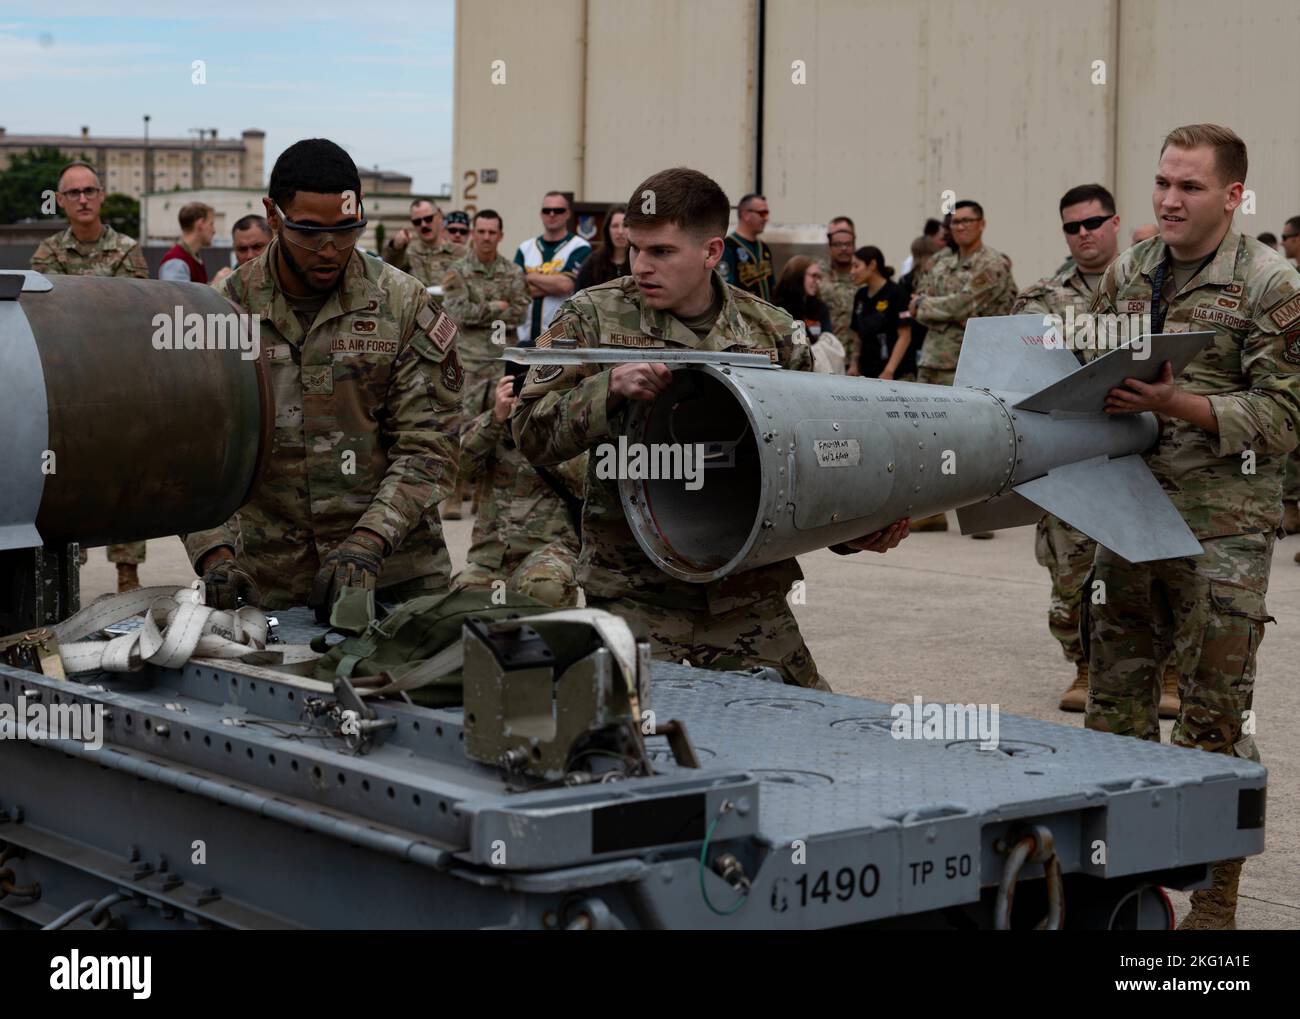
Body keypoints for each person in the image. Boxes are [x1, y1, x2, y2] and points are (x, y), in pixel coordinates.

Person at [512, 167, 909, 690]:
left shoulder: (772, 332)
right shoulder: (592, 316)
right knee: (627, 750)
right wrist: (606, 390)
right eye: (635, 249)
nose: (641, 266)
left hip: (746, 594)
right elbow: (530, 434)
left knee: (808, 736)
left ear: (711, 251)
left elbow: (817, 454)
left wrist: (854, 533)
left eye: (662, 251)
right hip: (636, 594)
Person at [1085, 124, 1300, 930]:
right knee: (1114, 715)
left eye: (1191, 187)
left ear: (1234, 196)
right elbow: (1093, 368)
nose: (1170, 200)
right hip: (1127, 514)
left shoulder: (1273, 284)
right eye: (1162, 182)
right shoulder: (1130, 270)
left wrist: (1178, 404)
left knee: (1212, 724)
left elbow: (1286, 415)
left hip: (1223, 530)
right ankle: (1113, 894)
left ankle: (1212, 909)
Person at [183, 138, 462, 617]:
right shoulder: (222, 310)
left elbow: (428, 446)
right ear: (273, 215)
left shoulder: (402, 302)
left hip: (395, 577)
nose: (330, 249)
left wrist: (370, 540)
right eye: (309, 232)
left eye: (346, 230)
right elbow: (192, 450)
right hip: (268, 583)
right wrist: (215, 554)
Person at [1011, 184, 1138, 713]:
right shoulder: (1040, 297)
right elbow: (1020, 369)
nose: (1083, 233)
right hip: (1070, 451)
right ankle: (1085, 667)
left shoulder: (1151, 284)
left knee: (1152, 565)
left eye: (1093, 222)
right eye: (1072, 226)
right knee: (1072, 570)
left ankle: (1171, 674)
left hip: (1143, 445)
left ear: (1114, 223)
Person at [31, 160, 149, 592]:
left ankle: (127, 574)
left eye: (89, 191)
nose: (82, 199)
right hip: (67, 390)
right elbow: (42, 320)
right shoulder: (47, 254)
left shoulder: (126, 251)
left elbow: (136, 320)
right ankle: (66, 574)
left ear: (101, 196)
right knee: (65, 481)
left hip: (120, 386)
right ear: (60, 202)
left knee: (126, 477)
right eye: (72, 193)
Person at [909, 199, 1016, 535]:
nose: (961, 227)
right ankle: (931, 511)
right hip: (934, 360)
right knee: (930, 436)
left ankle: (981, 514)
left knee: (977, 439)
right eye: (955, 223)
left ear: (982, 224)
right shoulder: (939, 261)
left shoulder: (993, 264)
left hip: (974, 361)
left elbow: (966, 304)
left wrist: (932, 308)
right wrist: (935, 309)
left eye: (968, 221)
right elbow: (916, 303)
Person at [452, 371, 586, 607]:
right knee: (461, 602)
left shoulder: (563, 431)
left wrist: (541, 434)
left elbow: (583, 481)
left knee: (546, 587)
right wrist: (495, 418)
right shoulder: (490, 427)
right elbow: (459, 468)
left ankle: (552, 640)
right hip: (492, 556)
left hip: (546, 549)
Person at [439, 209, 531, 519]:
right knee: (463, 428)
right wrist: (496, 306)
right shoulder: (457, 271)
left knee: (496, 427)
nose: (487, 237)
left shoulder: (513, 272)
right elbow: (456, 311)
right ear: (473, 233)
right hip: (469, 362)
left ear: (501, 236)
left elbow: (519, 312)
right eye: (482, 231)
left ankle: (483, 494)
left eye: (493, 232)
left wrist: (485, 311)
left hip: (502, 362)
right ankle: (455, 492)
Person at [514, 191, 591, 344]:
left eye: (558, 210)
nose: (552, 214)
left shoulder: (580, 247)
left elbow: (566, 285)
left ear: (568, 214)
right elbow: (515, 290)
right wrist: (553, 285)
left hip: (561, 339)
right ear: (541, 214)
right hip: (524, 338)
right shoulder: (525, 248)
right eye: (546, 210)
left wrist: (528, 276)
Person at [849, 246, 912, 380]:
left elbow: (905, 336)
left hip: (895, 375)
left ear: (872, 265)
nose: (852, 271)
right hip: (866, 373)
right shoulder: (860, 296)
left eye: (856, 266)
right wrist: (854, 364)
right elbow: (857, 335)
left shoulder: (897, 293)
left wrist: (889, 371)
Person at [383, 199, 466, 287]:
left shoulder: (461, 253)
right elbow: (387, 272)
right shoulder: (409, 254)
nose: (423, 225)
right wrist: (395, 247)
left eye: (428, 219)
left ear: (439, 217)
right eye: (417, 222)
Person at [817, 216, 859, 363]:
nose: (844, 249)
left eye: (848, 244)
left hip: (860, 358)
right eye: (838, 244)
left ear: (854, 245)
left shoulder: (865, 274)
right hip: (828, 355)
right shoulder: (817, 274)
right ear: (829, 247)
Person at [718, 193, 774, 300]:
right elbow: (725, 289)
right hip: (742, 315)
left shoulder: (763, 247)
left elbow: (773, 285)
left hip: (766, 314)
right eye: (762, 213)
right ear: (746, 215)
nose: (766, 218)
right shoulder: (728, 247)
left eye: (767, 213)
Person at [575, 204, 631, 290]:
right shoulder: (593, 263)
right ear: (607, 229)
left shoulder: (639, 262)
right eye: (615, 226)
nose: (620, 231)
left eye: (625, 225)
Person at [158, 202, 215, 283]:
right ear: (201, 224)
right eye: (211, 224)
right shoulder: (176, 262)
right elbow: (176, 295)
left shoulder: (190, 258)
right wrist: (216, 287)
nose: (214, 230)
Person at [212, 214, 272, 286]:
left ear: (272, 242)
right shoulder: (227, 285)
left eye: (257, 247)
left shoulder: (286, 278)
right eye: (242, 249)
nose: (249, 256)